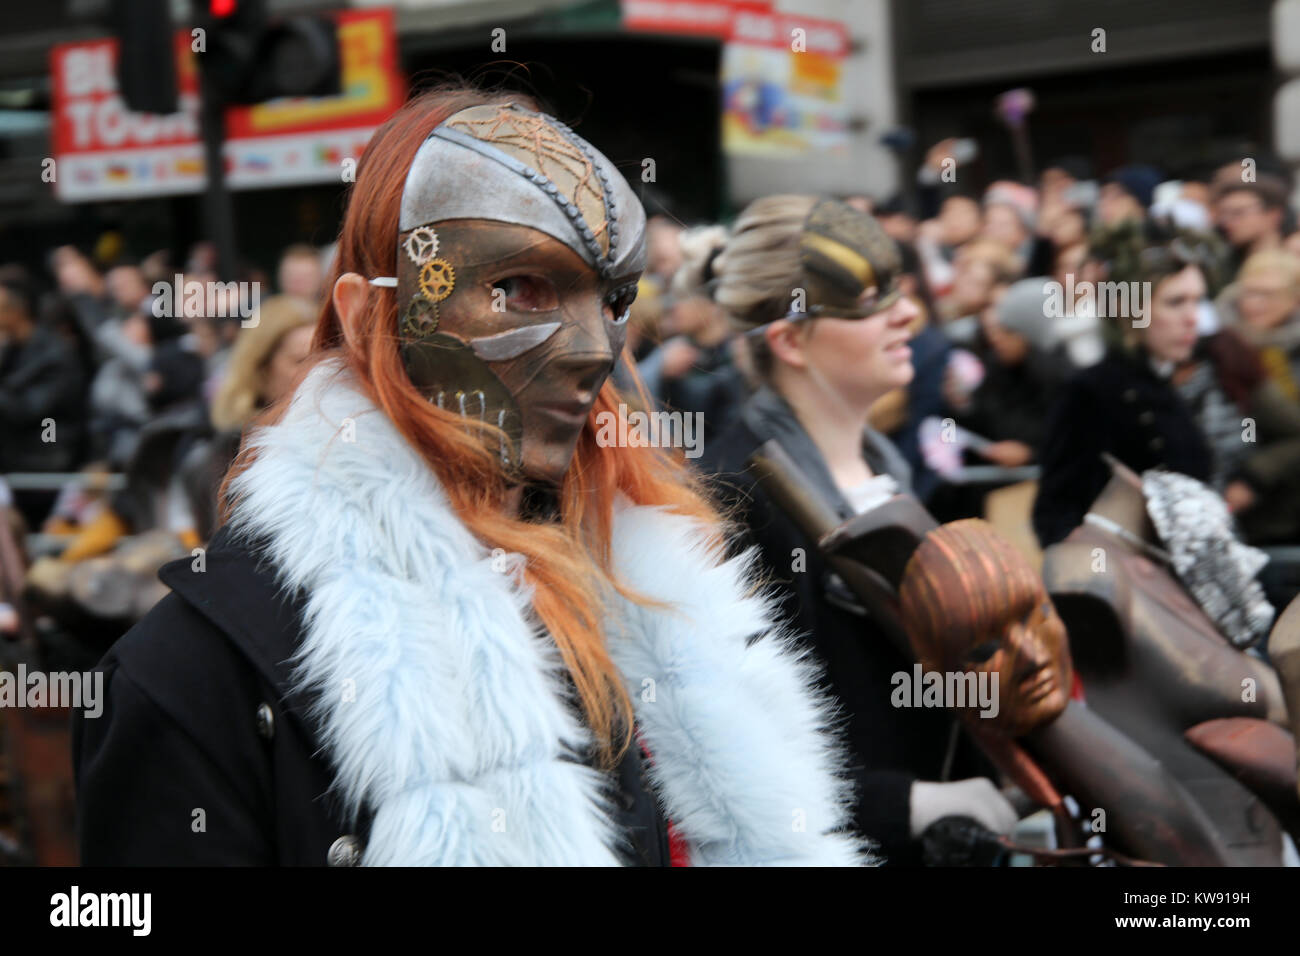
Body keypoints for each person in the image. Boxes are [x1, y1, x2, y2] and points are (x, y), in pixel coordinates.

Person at [72, 88, 868, 867]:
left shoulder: (654, 608)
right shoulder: (191, 678)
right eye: (518, 287)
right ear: (365, 315)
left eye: (615, 296)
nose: (595, 348)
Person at [704, 195, 1015, 865]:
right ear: (790, 340)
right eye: (871, 301)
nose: (908, 313)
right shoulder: (732, 496)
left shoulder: (886, 465)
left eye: (898, 291)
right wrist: (901, 804)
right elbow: (730, 739)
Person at [1034, 229, 1300, 548]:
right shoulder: (1092, 391)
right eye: (1175, 302)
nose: (1192, 319)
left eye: (1196, 301)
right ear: (1129, 309)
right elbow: (1058, 513)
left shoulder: (1161, 380)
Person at [1215, 249, 1300, 401]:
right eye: (1249, 292)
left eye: (1267, 293)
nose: (1253, 303)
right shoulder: (1219, 346)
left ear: (1294, 299)